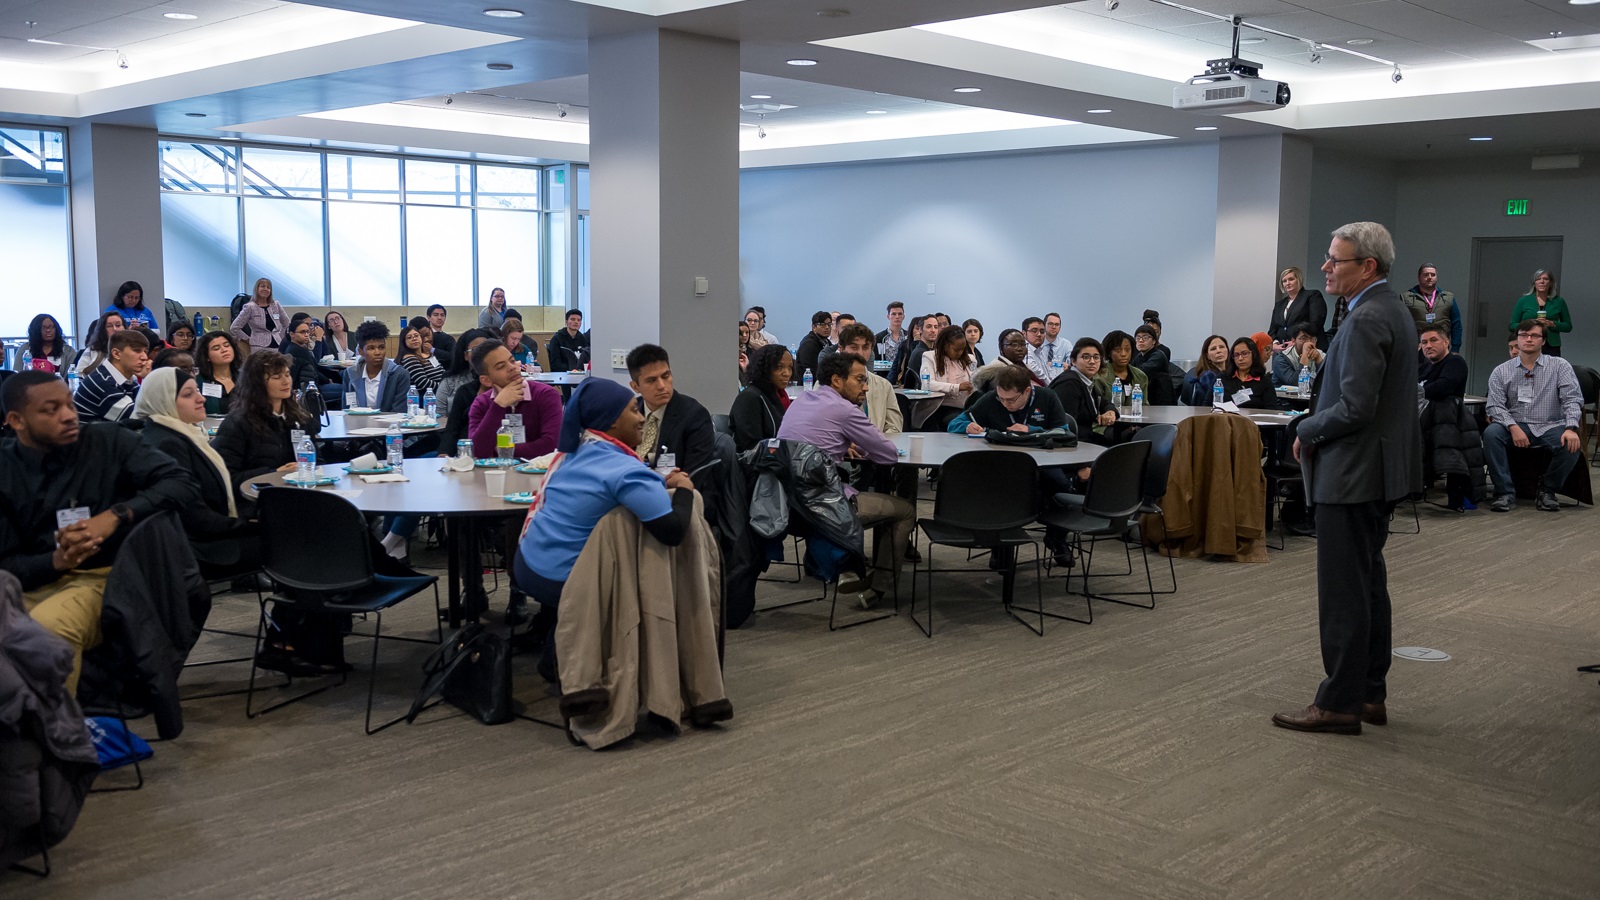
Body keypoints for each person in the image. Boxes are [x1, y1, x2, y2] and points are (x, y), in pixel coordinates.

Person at [1274, 221, 1421, 736]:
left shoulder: (1364, 320)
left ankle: (1339, 702)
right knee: (1367, 585)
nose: (1325, 268)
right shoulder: (1395, 311)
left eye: (1336, 260)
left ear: (1368, 267)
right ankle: (1368, 694)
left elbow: (1356, 406)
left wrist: (1306, 428)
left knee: (1343, 592)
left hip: (1352, 472)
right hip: (1379, 471)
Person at [0, 372, 198, 693]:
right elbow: (6, 563)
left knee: (49, 629)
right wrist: (57, 561)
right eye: (51, 410)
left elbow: (180, 482)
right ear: (16, 420)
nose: (68, 415)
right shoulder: (6, 469)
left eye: (69, 403)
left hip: (106, 577)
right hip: (33, 578)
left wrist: (116, 514)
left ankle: (60, 736)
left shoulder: (108, 441)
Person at [513, 378, 698, 677]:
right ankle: (575, 660)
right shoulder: (625, 471)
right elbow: (673, 531)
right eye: (633, 410)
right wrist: (686, 489)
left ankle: (555, 645)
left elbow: (606, 486)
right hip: (566, 580)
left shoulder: (575, 450)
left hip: (528, 564)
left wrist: (655, 481)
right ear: (611, 422)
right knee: (650, 575)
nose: (641, 418)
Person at [776, 352, 914, 606]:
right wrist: (859, 442)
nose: (866, 386)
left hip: (787, 504)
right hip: (825, 506)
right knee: (904, 510)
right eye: (860, 379)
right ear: (837, 380)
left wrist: (842, 443)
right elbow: (888, 454)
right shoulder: (845, 410)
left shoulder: (802, 399)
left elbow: (805, 445)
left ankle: (854, 567)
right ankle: (880, 589)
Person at [134, 367, 255, 573]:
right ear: (163, 400)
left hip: (206, 535)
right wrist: (244, 524)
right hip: (197, 548)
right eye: (188, 395)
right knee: (286, 540)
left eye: (197, 391)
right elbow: (193, 515)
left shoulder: (181, 434)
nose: (201, 399)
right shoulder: (166, 443)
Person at [1481, 319, 1583, 513]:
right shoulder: (1501, 371)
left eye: (1534, 335)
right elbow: (1494, 406)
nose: (1528, 339)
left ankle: (1548, 491)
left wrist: (1571, 428)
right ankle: (1504, 493)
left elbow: (1572, 398)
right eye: (1524, 335)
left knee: (1571, 444)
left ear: (1543, 341)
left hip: (1550, 424)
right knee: (1491, 434)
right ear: (1517, 340)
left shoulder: (1559, 366)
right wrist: (1513, 426)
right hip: (1515, 424)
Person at [467, 340, 562, 459]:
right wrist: (498, 406)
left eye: (512, 361)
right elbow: (477, 451)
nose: (512, 367)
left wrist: (501, 450)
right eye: (501, 366)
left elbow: (550, 446)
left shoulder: (546, 395)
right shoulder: (482, 403)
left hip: (539, 474)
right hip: (495, 474)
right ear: (486, 380)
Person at [1416, 322, 1476, 510]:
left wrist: (1419, 391)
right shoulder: (1422, 368)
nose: (1428, 346)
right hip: (1422, 420)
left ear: (1446, 342)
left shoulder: (1455, 362)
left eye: (1433, 340)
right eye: (1424, 342)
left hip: (1449, 423)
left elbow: (1443, 388)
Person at [1049, 337, 1118, 445]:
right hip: (1072, 443)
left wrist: (1110, 411)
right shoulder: (1069, 384)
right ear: (1073, 361)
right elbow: (1067, 426)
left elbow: (1105, 402)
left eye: (1096, 357)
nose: (1092, 362)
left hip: (1084, 438)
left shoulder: (1086, 380)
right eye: (1086, 357)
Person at [966, 364, 1068, 435]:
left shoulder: (1047, 396)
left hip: (1041, 456)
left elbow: (1064, 432)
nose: (1005, 404)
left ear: (1027, 391)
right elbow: (954, 423)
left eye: (1011, 400)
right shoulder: (992, 397)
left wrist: (1030, 430)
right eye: (1001, 399)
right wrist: (967, 426)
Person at [837, 323, 902, 436]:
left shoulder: (884, 385)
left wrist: (876, 444)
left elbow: (894, 427)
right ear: (842, 349)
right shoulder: (828, 384)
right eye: (854, 347)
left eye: (865, 348)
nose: (860, 353)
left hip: (876, 448)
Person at [74, 329, 148, 423]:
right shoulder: (102, 383)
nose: (144, 357)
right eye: (137, 351)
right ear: (116, 354)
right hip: (93, 437)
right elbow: (140, 421)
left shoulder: (125, 380)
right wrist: (151, 378)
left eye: (145, 351)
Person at [729, 344, 791, 453]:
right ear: (765, 369)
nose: (787, 373)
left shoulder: (778, 396)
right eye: (779, 367)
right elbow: (751, 446)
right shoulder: (749, 398)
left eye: (790, 367)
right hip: (757, 465)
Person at [341, 320, 411, 413]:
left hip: (389, 424)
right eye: (371, 348)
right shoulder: (350, 374)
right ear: (361, 352)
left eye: (381, 347)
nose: (377, 352)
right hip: (357, 424)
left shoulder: (399, 374)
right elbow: (346, 408)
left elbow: (399, 411)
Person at [919, 325, 977, 431]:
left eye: (962, 349)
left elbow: (975, 383)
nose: (959, 353)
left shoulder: (970, 360)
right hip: (941, 407)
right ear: (946, 345)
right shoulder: (929, 357)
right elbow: (928, 384)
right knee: (962, 423)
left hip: (967, 406)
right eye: (956, 350)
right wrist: (957, 387)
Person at [1508, 269, 1571, 357]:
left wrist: (1552, 324)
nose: (1542, 281)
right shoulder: (1524, 301)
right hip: (1529, 343)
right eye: (1538, 279)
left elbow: (1568, 326)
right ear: (1534, 283)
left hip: (1551, 345)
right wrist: (1529, 325)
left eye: (1545, 279)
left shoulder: (1559, 301)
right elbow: (1512, 326)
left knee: (1551, 370)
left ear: (1551, 283)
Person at [1400, 264, 1462, 351]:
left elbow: (1456, 324)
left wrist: (1455, 348)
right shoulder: (1406, 298)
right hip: (1416, 349)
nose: (1429, 277)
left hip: (1441, 348)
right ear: (1419, 277)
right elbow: (1399, 325)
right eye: (1426, 274)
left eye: (1433, 275)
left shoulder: (1448, 298)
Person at [1268, 267, 1327, 342]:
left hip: (1307, 346)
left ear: (1298, 280)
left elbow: (1315, 323)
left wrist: (1296, 341)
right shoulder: (1279, 304)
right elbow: (1273, 329)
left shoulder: (1312, 295)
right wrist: (1275, 343)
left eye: (1291, 279)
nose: (1287, 283)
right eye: (1284, 281)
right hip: (1282, 349)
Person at [230, 277, 288, 352]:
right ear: (256, 289)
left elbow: (286, 323)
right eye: (262, 286)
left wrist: (280, 336)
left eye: (268, 287)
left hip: (277, 346)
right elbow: (234, 327)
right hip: (259, 348)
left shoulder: (276, 304)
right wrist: (248, 339)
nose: (266, 289)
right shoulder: (250, 307)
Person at [1095, 330, 1149, 410]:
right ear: (1109, 352)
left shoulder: (1140, 376)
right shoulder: (1099, 375)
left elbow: (1144, 405)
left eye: (1127, 350)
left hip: (1135, 420)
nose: (1123, 354)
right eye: (1118, 350)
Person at [195, 331, 242, 416]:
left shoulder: (245, 378)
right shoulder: (198, 381)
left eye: (227, 345)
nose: (224, 350)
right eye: (216, 348)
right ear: (206, 357)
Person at [1222, 337, 1275, 409]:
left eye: (1244, 353)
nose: (1240, 358)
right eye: (1236, 355)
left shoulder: (1264, 381)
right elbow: (1207, 405)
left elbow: (1271, 410)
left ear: (1253, 354)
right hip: (1226, 418)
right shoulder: (1222, 378)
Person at [888, 314, 939, 390]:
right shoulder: (921, 353)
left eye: (936, 327)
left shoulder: (932, 350)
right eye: (929, 327)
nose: (933, 330)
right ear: (920, 330)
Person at [1270, 322, 1324, 390]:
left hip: (1312, 398)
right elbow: (1296, 383)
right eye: (1303, 338)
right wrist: (1305, 356)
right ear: (1293, 341)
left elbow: (1329, 381)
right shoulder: (1281, 359)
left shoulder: (1321, 355)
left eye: (1312, 339)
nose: (1308, 342)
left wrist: (1318, 360)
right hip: (1286, 399)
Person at [1180, 334, 1229, 406]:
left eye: (1222, 347)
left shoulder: (1229, 373)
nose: (1219, 351)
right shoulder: (1208, 375)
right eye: (1213, 349)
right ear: (1207, 356)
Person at [1130, 325, 1174, 406]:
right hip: (1148, 395)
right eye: (1138, 337)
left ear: (1154, 341)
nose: (1141, 340)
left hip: (1160, 400)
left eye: (1145, 338)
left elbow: (1141, 372)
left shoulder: (1158, 355)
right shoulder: (1139, 356)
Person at [73, 310, 125, 377]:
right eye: (109, 326)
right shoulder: (93, 349)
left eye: (118, 325)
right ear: (103, 330)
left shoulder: (131, 348)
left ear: (124, 327)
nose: (115, 329)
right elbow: (79, 373)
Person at [396, 322, 443, 394]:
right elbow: (423, 382)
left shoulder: (429, 354)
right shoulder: (410, 358)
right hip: (425, 397)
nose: (414, 339)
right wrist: (444, 388)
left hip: (441, 392)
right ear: (404, 342)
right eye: (409, 337)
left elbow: (441, 371)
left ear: (421, 337)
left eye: (416, 335)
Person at [284, 314, 326, 388]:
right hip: (310, 387)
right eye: (302, 332)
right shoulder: (296, 350)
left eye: (307, 331)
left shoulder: (300, 347)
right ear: (292, 334)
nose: (306, 335)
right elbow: (314, 369)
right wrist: (328, 380)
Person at [795, 310, 832, 383]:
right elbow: (811, 371)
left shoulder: (827, 342)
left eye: (829, 324)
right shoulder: (809, 344)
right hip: (808, 386)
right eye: (823, 324)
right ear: (814, 327)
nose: (827, 327)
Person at [1021, 316, 1051, 381]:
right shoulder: (1024, 350)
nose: (1039, 334)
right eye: (1034, 331)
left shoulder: (1040, 350)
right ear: (1024, 333)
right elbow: (1037, 373)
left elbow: (1048, 373)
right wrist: (1052, 387)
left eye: (1042, 331)